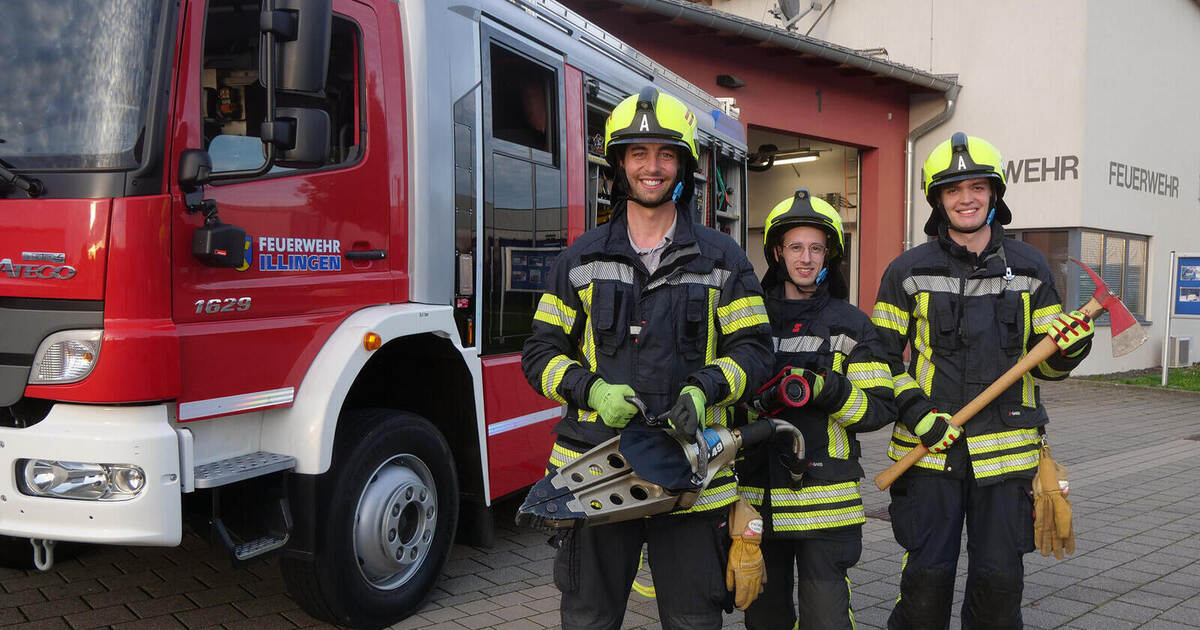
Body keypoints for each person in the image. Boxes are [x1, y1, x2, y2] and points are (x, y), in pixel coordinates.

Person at [521, 86, 774, 630]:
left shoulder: (723, 260)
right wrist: (590, 391)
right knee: (588, 620)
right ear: (619, 164)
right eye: (638, 153)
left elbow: (755, 351)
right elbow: (539, 353)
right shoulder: (580, 259)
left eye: (664, 153)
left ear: (681, 163)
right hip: (593, 475)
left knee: (692, 621)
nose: (651, 167)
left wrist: (704, 389)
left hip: (692, 476)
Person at [870, 132, 1094, 629]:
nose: (965, 198)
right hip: (930, 453)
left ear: (995, 194)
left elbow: (1047, 363)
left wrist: (1073, 345)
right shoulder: (906, 271)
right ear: (937, 199)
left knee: (998, 588)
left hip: (1008, 460)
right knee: (925, 587)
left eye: (976, 186)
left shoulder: (1031, 268)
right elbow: (879, 359)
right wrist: (918, 415)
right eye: (953, 189)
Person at [735, 189, 896, 629]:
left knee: (826, 621)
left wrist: (826, 390)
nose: (805, 259)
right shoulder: (750, 320)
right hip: (757, 499)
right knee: (764, 620)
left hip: (826, 505)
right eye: (795, 247)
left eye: (816, 248)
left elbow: (878, 409)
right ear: (776, 252)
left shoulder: (851, 323)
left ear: (830, 255)